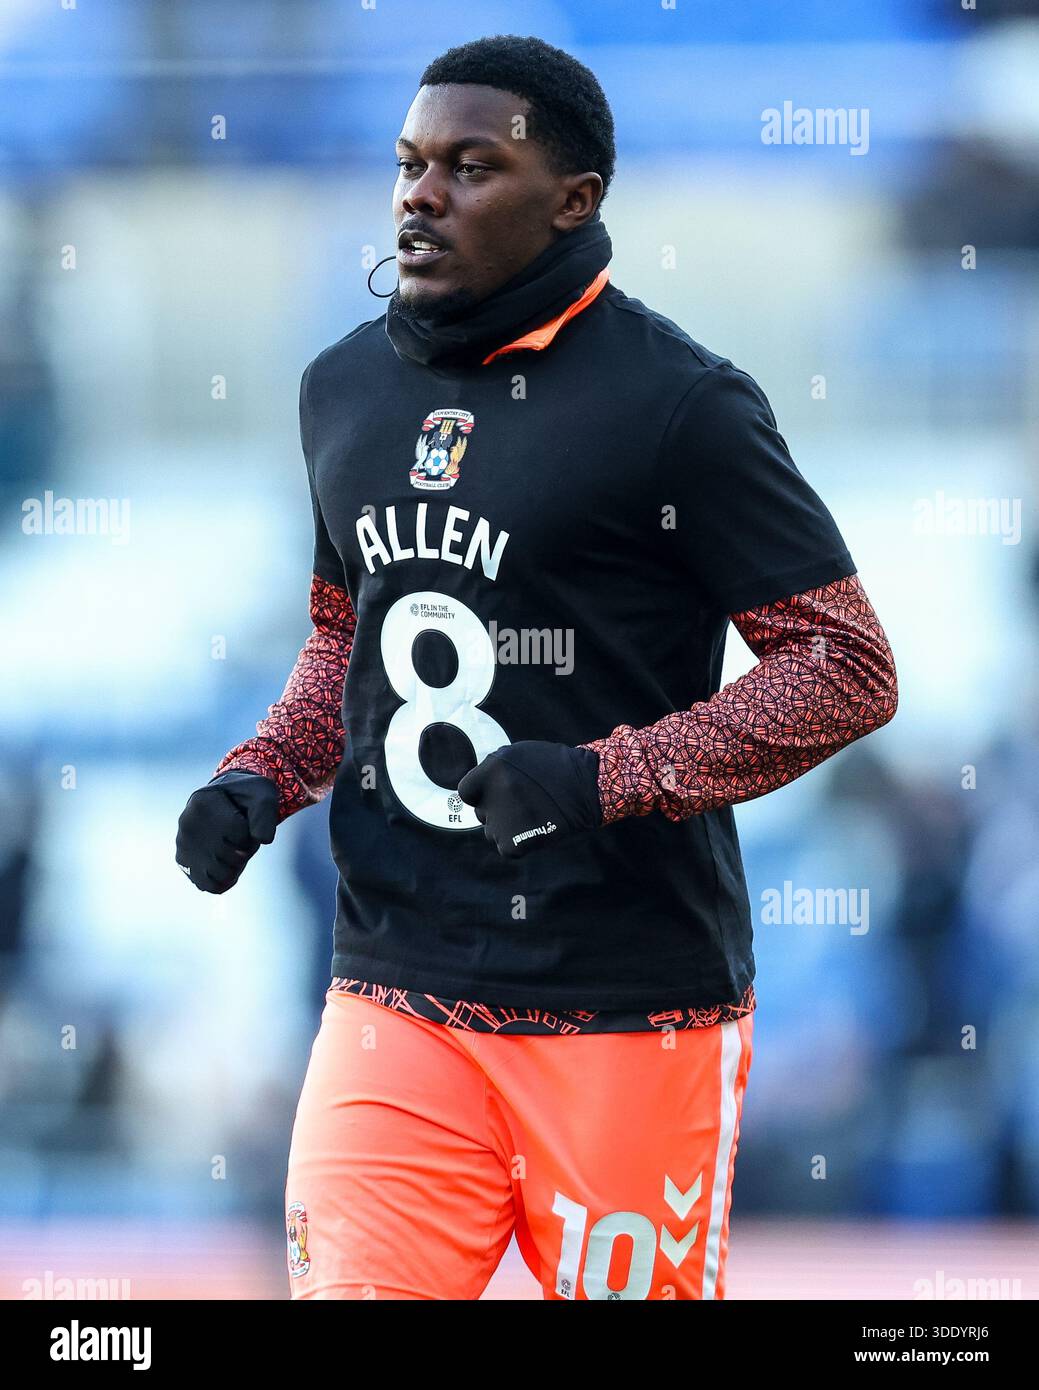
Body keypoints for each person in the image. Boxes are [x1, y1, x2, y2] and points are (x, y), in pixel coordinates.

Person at [176, 34, 898, 1300]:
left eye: (470, 165)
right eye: (408, 164)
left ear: (575, 199)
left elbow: (843, 663)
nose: (420, 194)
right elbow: (351, 637)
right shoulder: (340, 388)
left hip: (626, 999)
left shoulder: (679, 405)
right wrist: (263, 775)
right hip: (396, 984)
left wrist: (605, 776)